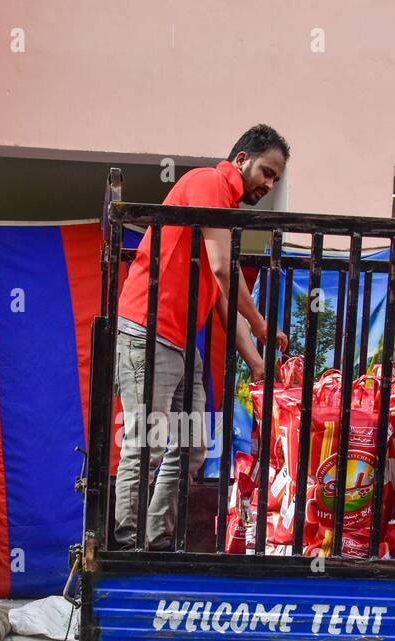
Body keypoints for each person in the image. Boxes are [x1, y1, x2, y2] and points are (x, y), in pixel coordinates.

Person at [114, 123, 291, 550]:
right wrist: (263, 325)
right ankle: (126, 547)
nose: (269, 184)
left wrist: (254, 358)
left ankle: (154, 543)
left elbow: (221, 298)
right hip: (148, 329)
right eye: (267, 172)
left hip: (177, 339)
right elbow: (223, 272)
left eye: (276, 180)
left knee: (191, 446)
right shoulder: (211, 183)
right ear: (242, 159)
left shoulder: (225, 210)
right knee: (148, 444)